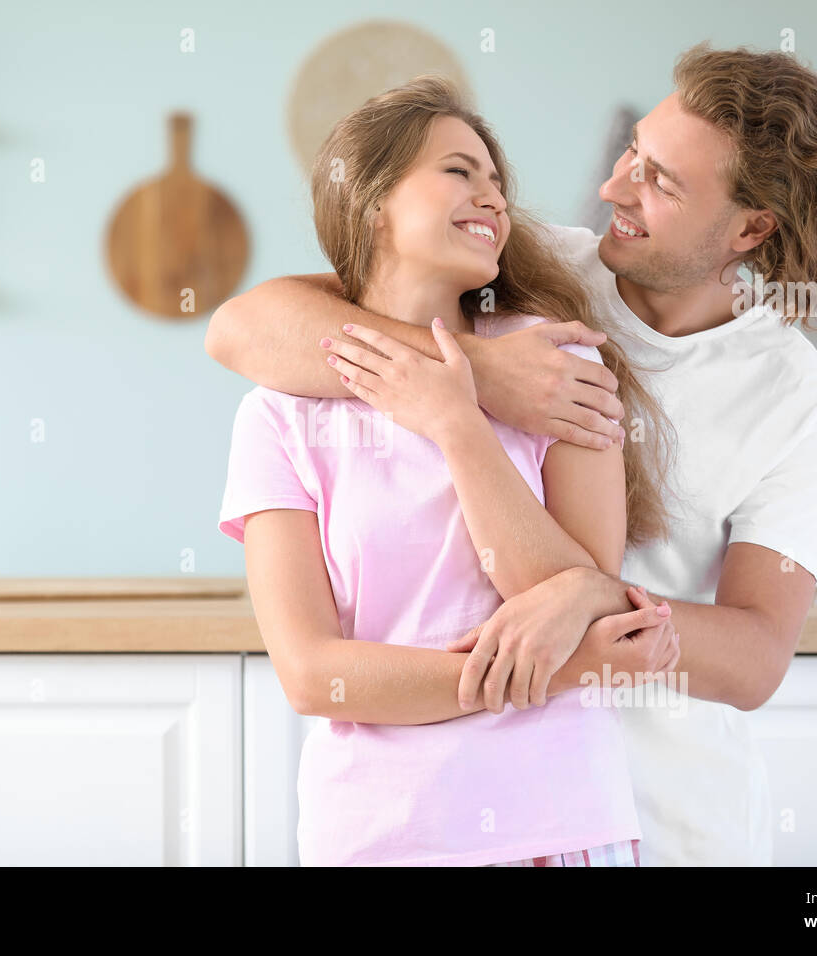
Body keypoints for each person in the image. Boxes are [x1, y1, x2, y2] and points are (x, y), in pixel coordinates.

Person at [208, 43, 817, 865]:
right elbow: (246, 327)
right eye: (635, 152)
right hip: (442, 807)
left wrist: (591, 601)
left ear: (750, 227)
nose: (613, 188)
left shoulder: (799, 399)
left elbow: (756, 657)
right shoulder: (535, 270)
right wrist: (477, 373)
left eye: (661, 181)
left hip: (670, 817)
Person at [217, 75, 680, 866]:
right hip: (377, 834)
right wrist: (556, 662)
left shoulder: (558, 369)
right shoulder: (280, 416)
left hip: (559, 825)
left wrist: (456, 424)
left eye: (498, 180)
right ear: (372, 203)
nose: (493, 197)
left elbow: (584, 603)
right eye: (460, 171)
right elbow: (313, 675)